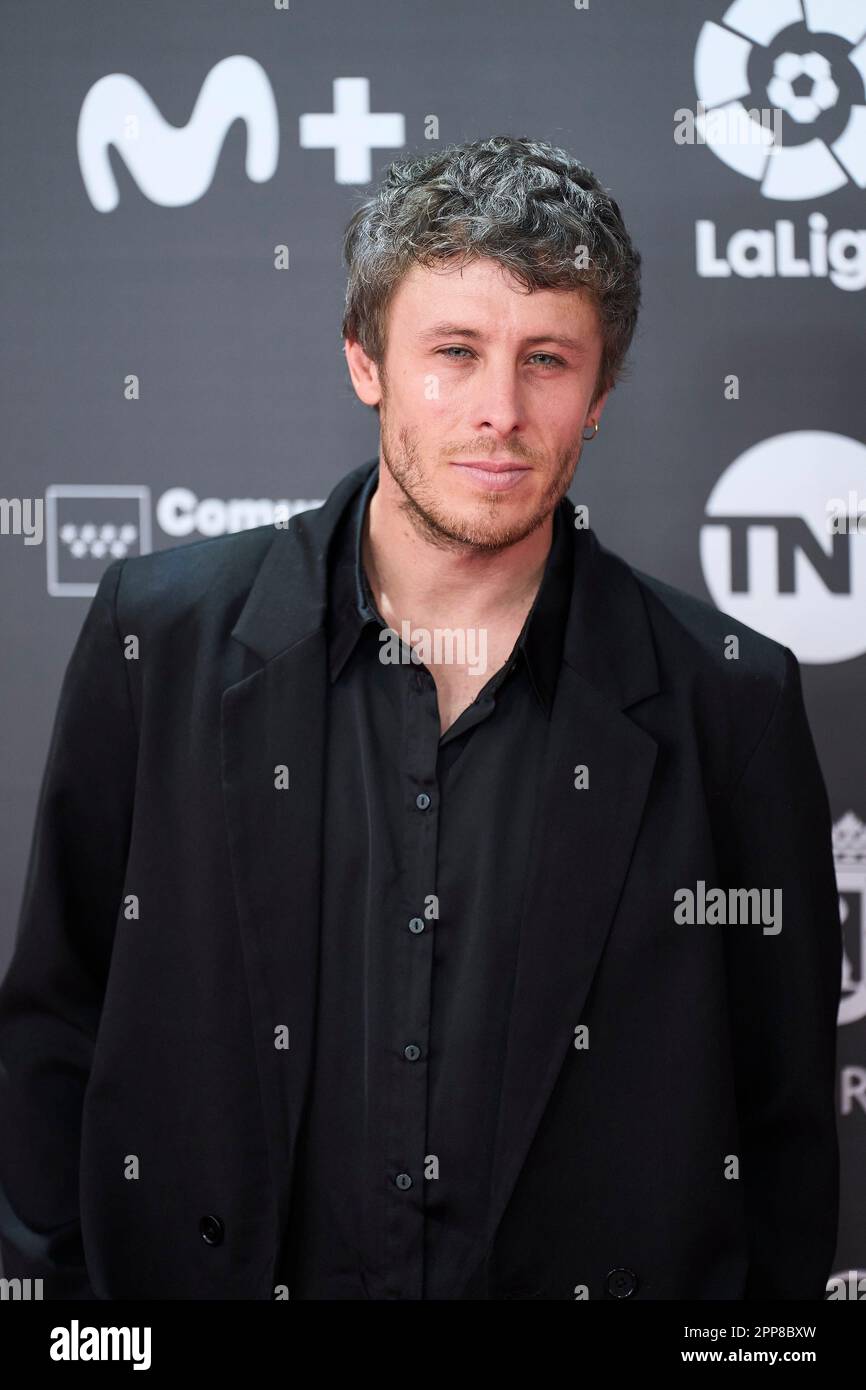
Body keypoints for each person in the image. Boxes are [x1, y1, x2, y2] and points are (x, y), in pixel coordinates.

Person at [0, 136, 841, 1300]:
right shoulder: (162, 638)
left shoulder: (728, 700)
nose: (499, 410)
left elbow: (783, 1134)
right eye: (454, 351)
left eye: (546, 359)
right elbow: (52, 1032)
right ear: (365, 360)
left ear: (598, 393)